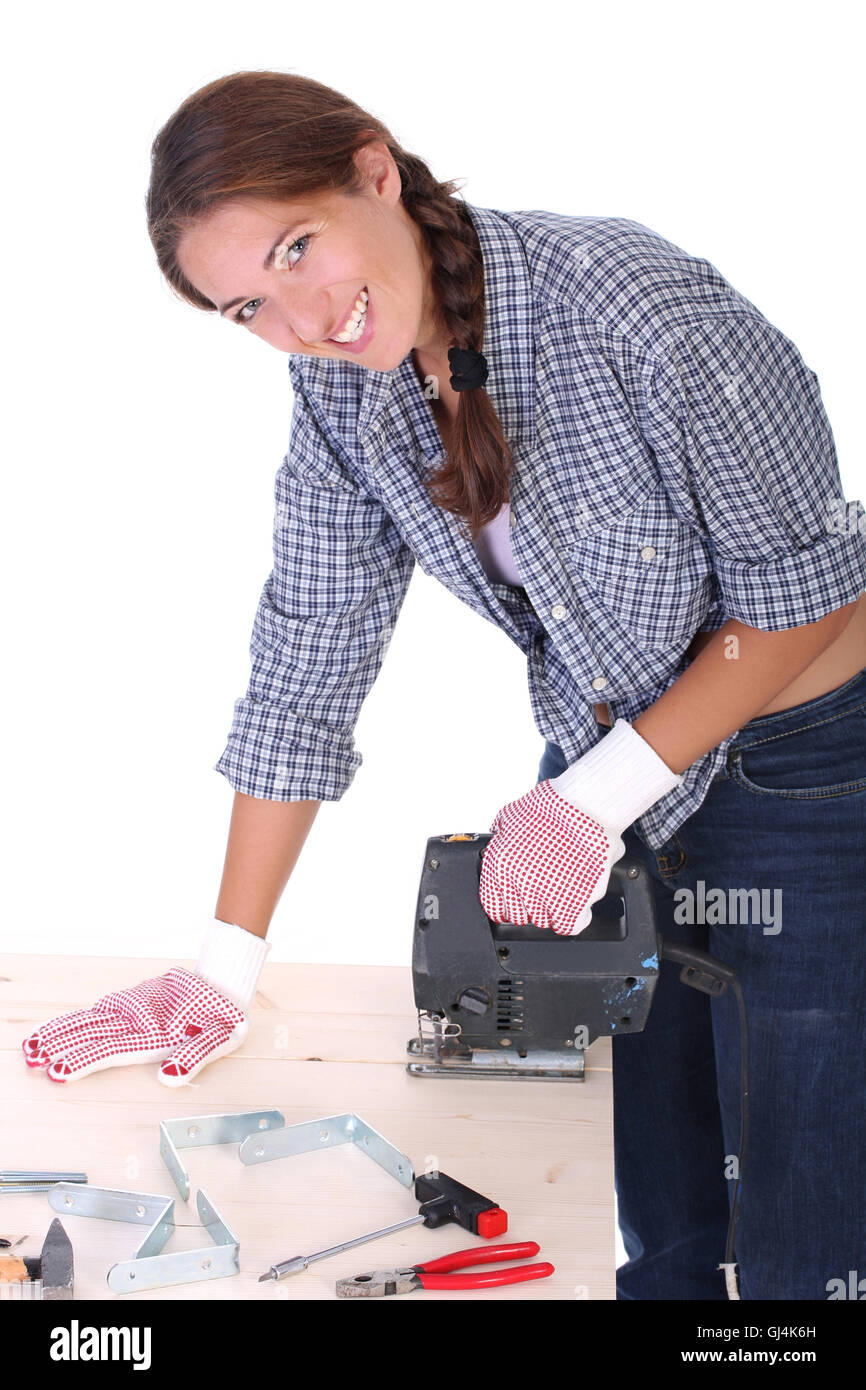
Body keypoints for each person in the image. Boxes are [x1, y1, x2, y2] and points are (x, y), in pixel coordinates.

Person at [22, 70, 866, 1300]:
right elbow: (307, 652)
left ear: (375, 170)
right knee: (667, 1211)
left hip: (806, 772)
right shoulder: (338, 390)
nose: (302, 321)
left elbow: (814, 590)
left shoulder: (635, 309)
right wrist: (223, 958)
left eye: (295, 250)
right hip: (613, 769)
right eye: (248, 306)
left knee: (807, 1219)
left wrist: (594, 796)